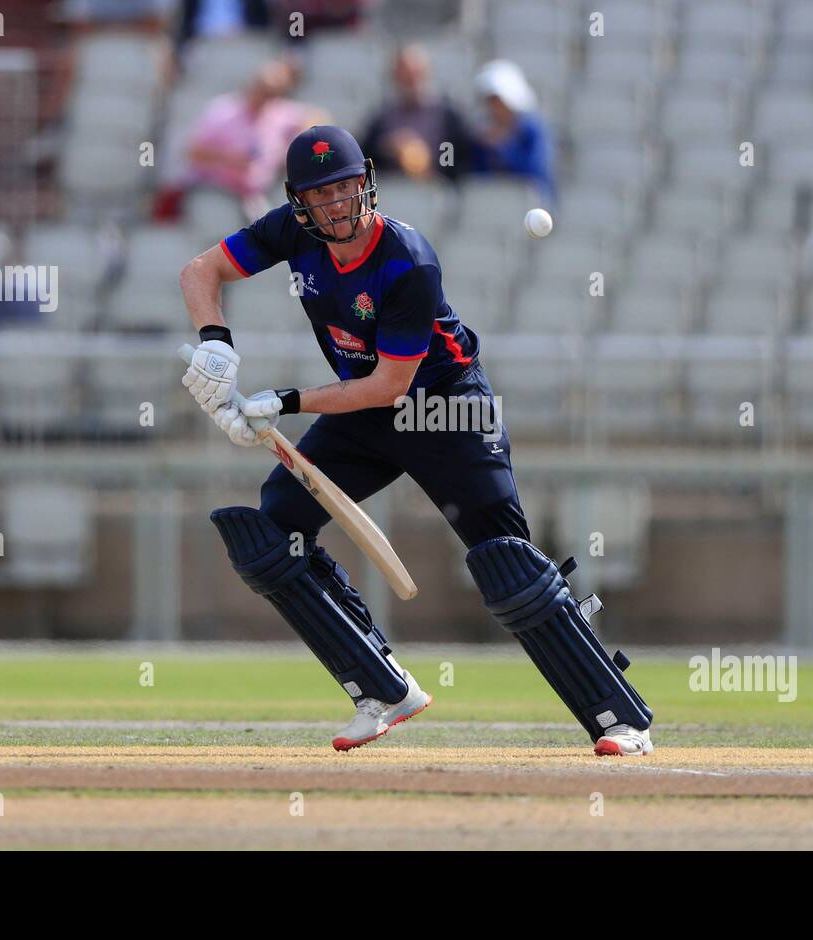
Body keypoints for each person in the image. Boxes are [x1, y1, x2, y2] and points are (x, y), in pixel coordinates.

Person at [178, 126, 652, 756]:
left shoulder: (407, 259)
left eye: (345, 189)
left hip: (444, 408)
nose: (337, 206)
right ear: (299, 203)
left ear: (367, 182)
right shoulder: (290, 232)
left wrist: (285, 403)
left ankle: (620, 718)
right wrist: (216, 343)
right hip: (363, 413)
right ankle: (382, 687)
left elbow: (389, 385)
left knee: (506, 561)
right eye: (320, 196)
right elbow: (201, 269)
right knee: (272, 535)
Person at [159, 58, 321, 221]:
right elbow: (192, 152)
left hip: (253, 197)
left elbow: (316, 119)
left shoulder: (281, 112)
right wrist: (231, 159)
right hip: (213, 190)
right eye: (262, 89)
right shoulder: (223, 110)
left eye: (272, 92)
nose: (264, 96)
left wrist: (294, 146)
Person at [360, 45, 471, 184]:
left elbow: (459, 160)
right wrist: (387, 148)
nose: (411, 81)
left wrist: (430, 161)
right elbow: (366, 160)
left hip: (437, 193)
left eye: (416, 74)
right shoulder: (382, 118)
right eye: (404, 75)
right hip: (394, 192)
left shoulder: (447, 117)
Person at [469, 60, 555, 203]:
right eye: (490, 101)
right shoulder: (481, 135)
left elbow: (535, 173)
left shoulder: (532, 130)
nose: (494, 108)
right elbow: (477, 176)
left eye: (498, 101)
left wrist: (503, 147)